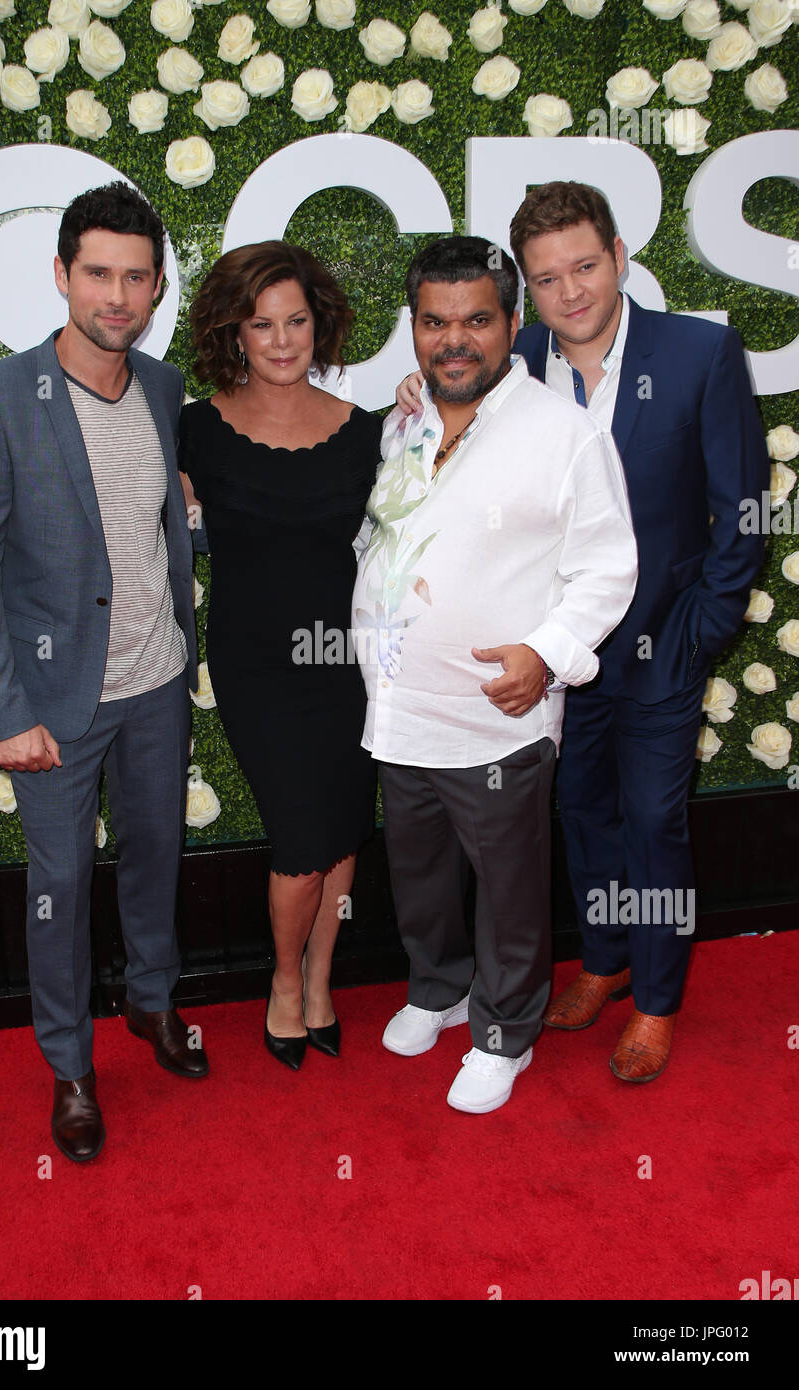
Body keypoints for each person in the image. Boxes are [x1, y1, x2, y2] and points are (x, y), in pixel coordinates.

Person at [0, 182, 206, 1165]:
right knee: (58, 886)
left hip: (157, 679)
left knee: (155, 858)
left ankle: (152, 1005)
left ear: (155, 285)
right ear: (62, 275)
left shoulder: (167, 391)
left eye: (137, 276)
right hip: (53, 702)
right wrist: (5, 712)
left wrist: (195, 521)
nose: (118, 295)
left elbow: (158, 531)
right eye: (99, 272)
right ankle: (71, 1066)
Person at [355, 236, 638, 1114]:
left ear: (513, 325)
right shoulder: (399, 422)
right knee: (420, 874)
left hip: (497, 716)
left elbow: (606, 566)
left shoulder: (563, 433)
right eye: (435, 322)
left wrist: (546, 654)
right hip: (399, 709)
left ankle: (504, 1031)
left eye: (476, 320)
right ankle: (439, 991)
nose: (454, 340)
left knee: (509, 889)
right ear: (413, 328)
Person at [505, 182, 769, 1082]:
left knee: (654, 819)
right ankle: (605, 962)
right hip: (554, 649)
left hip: (664, 638)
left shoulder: (698, 352)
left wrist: (706, 624)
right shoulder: (515, 360)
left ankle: (655, 1002)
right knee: (580, 811)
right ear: (528, 292)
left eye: (583, 266)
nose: (569, 292)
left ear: (618, 257)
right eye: (546, 279)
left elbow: (742, 505)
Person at [177, 241, 382, 1070]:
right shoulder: (195, 428)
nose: (282, 338)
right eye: (261, 324)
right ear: (234, 333)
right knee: (302, 842)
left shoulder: (369, 432)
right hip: (256, 665)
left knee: (341, 836)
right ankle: (283, 983)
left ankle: (323, 976)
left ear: (318, 324)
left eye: (295, 319)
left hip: (349, 662)